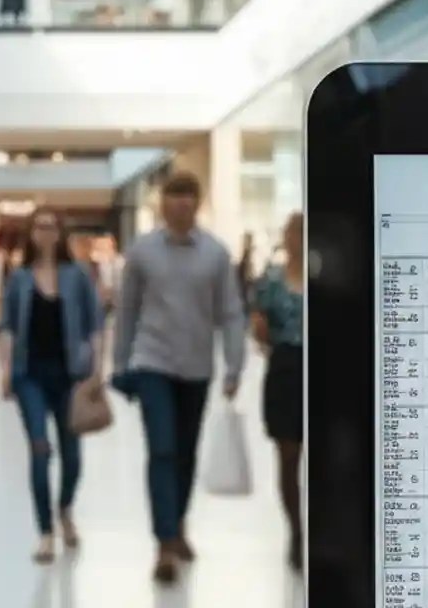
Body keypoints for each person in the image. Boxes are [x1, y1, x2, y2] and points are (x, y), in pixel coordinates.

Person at [111, 171, 246, 583]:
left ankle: (178, 522)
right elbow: (127, 309)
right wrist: (120, 365)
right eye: (174, 195)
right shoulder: (142, 252)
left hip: (196, 368)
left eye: (189, 195)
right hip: (152, 364)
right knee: (163, 450)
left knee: (185, 452)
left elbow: (230, 312)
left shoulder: (216, 255)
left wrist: (234, 365)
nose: (181, 203)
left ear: (198, 202)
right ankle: (164, 544)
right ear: (162, 203)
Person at [0, 207, 103, 564]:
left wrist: (96, 371)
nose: (45, 233)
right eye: (39, 226)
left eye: (51, 226)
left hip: (71, 376)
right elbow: (8, 327)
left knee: (72, 456)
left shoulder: (78, 276)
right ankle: (44, 532)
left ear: (60, 233)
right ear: (31, 233)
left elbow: (95, 325)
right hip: (30, 375)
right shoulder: (19, 278)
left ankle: (65, 509)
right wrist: (6, 369)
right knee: (40, 449)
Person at [251, 212, 304, 569]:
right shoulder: (271, 279)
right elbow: (260, 325)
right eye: (293, 233)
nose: (297, 239)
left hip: (326, 369)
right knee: (287, 455)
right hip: (286, 367)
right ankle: (296, 530)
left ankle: (324, 529)